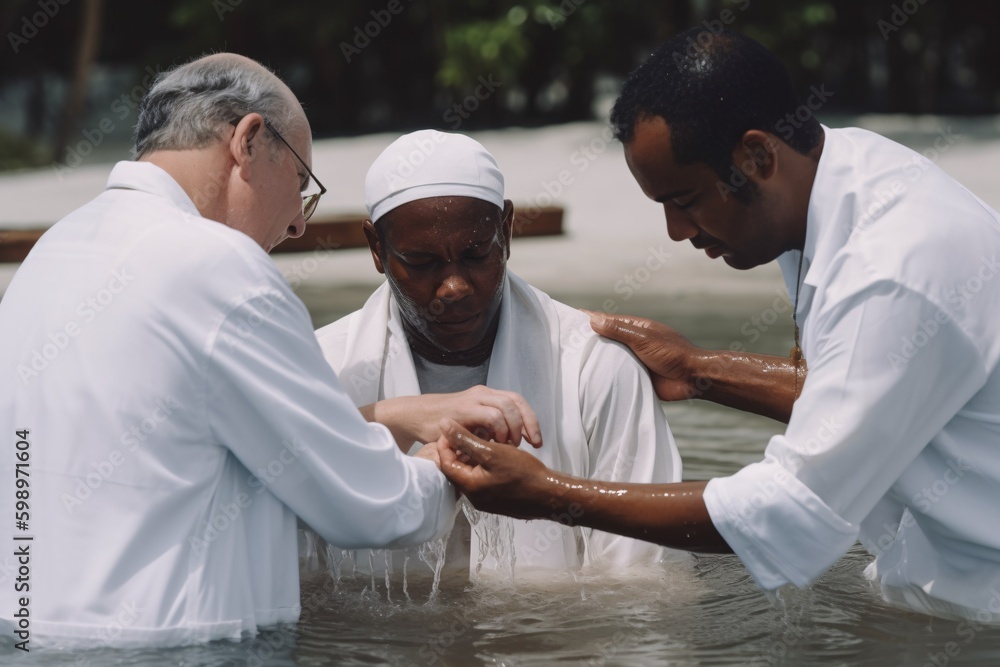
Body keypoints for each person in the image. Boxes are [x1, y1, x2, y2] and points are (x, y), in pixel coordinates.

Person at [435, 27, 1000, 623]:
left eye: (686, 199)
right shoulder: (836, 176)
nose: (677, 231)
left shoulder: (889, 269)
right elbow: (861, 390)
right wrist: (697, 371)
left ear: (756, 157)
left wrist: (551, 495)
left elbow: (791, 511)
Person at [0, 54, 538, 647]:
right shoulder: (219, 267)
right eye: (302, 183)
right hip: (175, 649)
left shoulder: (54, 252)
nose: (298, 225)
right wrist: (453, 465)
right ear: (249, 141)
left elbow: (196, 445)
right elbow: (365, 506)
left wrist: (391, 414)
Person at [311, 130, 682, 577]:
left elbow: (645, 578)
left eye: (475, 254)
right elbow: (292, 568)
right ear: (376, 248)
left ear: (506, 230)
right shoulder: (322, 368)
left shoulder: (594, 366)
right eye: (423, 263)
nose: (455, 287)